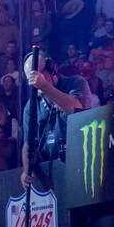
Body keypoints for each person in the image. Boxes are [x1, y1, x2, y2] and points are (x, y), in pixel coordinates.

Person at [20, 51, 90, 186]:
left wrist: (45, 86)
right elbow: (28, 144)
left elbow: (76, 109)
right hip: (50, 170)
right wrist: (26, 170)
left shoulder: (76, 83)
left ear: (51, 68)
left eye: (39, 75)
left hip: (80, 161)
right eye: (32, 78)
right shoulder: (31, 106)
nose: (36, 81)